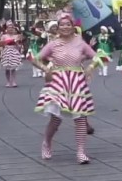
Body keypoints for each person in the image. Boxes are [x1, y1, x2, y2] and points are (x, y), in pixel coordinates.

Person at [30, 12, 101, 164]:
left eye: (68, 24)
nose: (65, 27)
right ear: (57, 27)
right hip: (59, 83)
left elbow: (97, 56)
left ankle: (81, 152)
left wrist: (91, 67)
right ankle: (46, 142)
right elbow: (35, 59)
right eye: (61, 25)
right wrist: (46, 69)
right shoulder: (53, 44)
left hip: (77, 83)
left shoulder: (80, 43)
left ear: (73, 26)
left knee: (80, 118)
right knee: (56, 119)